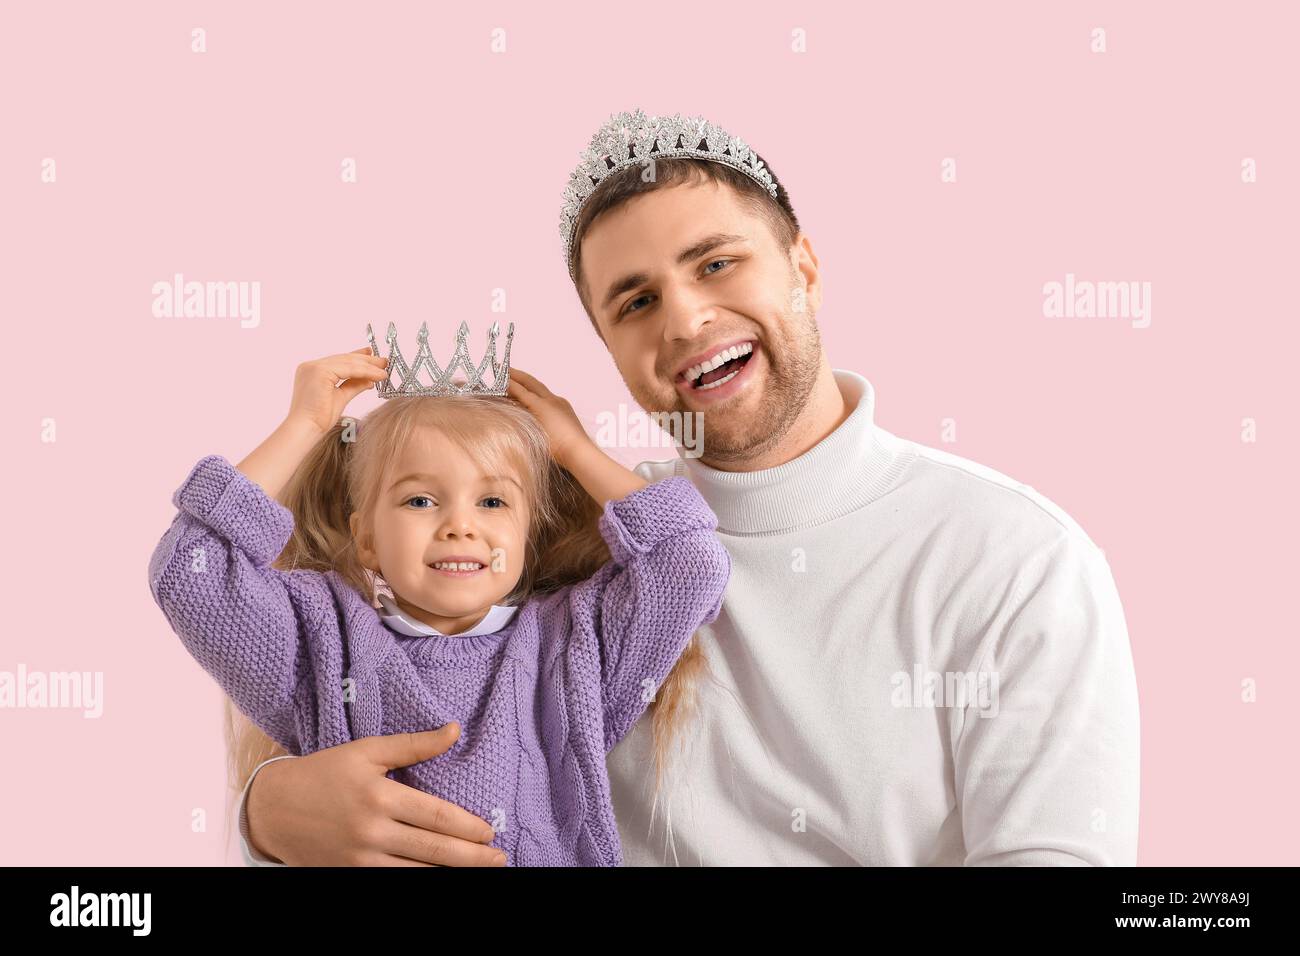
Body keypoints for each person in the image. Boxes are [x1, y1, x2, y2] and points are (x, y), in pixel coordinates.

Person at [232, 109, 1140, 866]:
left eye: (716, 264)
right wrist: (265, 816)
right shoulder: (547, 538)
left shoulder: (1017, 561)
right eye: (635, 302)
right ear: (609, 348)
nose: (686, 319)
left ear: (805, 267)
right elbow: (334, 665)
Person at [147, 337, 730, 865]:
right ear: (368, 539)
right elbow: (189, 569)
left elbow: (690, 562)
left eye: (493, 503)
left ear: (526, 540)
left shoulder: (572, 646)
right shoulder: (320, 642)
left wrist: (575, 449)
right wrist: (303, 424)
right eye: (421, 501)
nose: (459, 526)